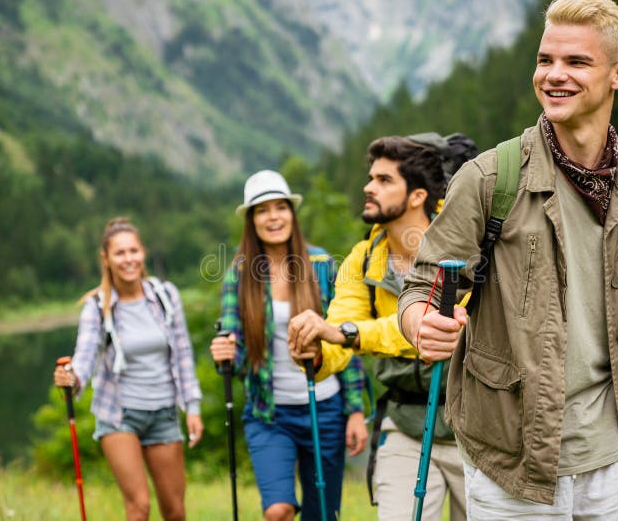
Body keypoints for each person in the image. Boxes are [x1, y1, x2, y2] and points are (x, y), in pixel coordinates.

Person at [398, 0, 618, 519]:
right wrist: (421, 324)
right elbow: (422, 289)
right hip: (511, 460)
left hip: (614, 460)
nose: (554, 75)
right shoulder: (491, 179)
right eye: (545, 60)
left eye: (577, 61)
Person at [288, 133, 478, 521]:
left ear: (417, 196)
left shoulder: (463, 245)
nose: (368, 187)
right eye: (371, 177)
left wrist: (345, 334)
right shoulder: (362, 258)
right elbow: (342, 326)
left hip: (477, 430)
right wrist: (317, 351)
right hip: (405, 425)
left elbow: (427, 331)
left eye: (383, 180)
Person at [209, 170, 368, 521]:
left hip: (324, 408)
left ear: (292, 214)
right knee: (277, 510)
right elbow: (234, 351)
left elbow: (345, 337)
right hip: (269, 413)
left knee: (323, 514)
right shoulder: (239, 273)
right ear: (252, 220)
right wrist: (224, 354)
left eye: (281, 207)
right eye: (263, 210)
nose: (273, 217)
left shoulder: (321, 264)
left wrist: (355, 410)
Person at [53, 217, 204, 521]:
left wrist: (194, 406)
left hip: (164, 411)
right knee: (139, 507)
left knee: (175, 512)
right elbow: (84, 356)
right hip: (119, 415)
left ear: (143, 253)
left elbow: (184, 353)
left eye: (133, 251)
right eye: (119, 253)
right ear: (105, 258)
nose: (128, 259)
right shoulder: (97, 306)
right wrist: (71, 379)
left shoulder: (165, 296)